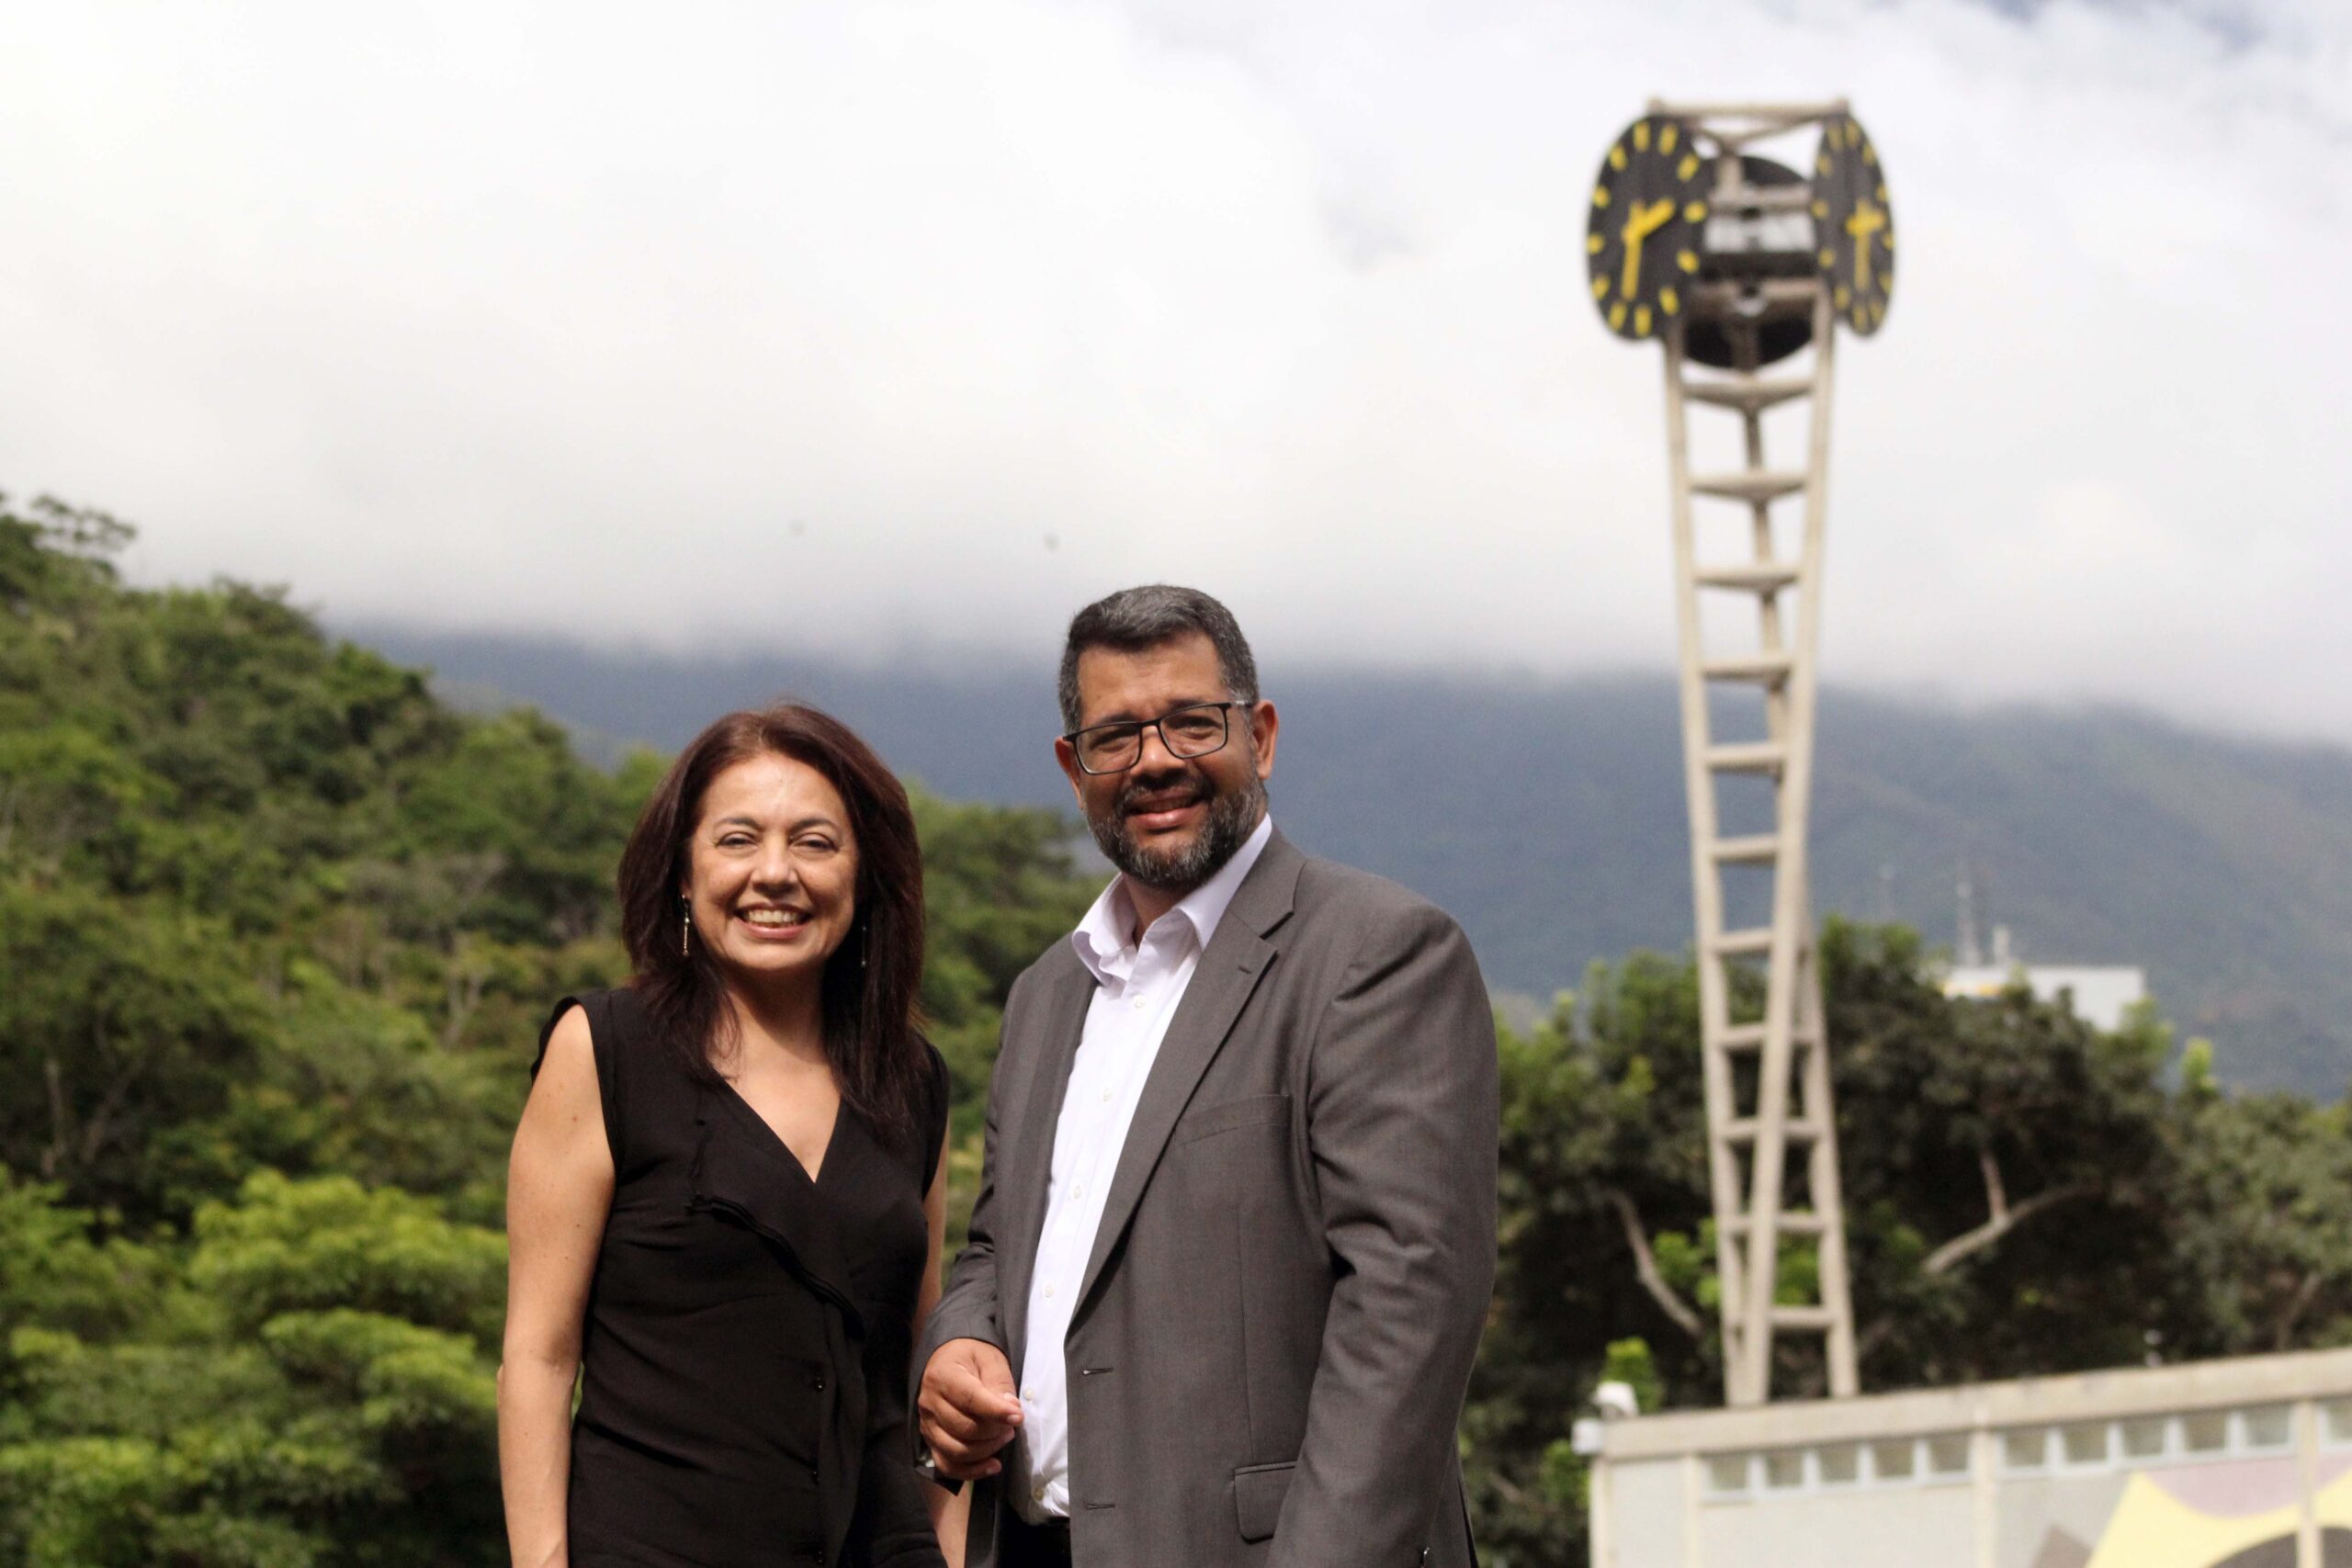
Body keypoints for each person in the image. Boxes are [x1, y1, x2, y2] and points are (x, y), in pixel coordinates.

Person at [915, 586, 1499, 1567]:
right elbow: (993, 1248)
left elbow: (1408, 1310)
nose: (1155, 761)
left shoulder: (1377, 953)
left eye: (1192, 723)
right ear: (1074, 767)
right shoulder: (1046, 994)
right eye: (1115, 737)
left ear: (1259, 736)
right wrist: (959, 1339)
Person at [501, 704, 954, 1568]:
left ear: (865, 876)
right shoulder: (606, 1048)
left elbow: (920, 1368)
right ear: (682, 871)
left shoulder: (913, 1081)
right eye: (737, 840)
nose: (774, 873)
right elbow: (538, 1354)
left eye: (815, 842)